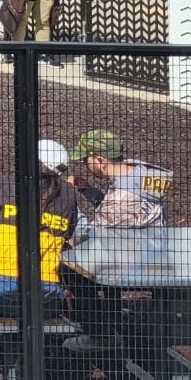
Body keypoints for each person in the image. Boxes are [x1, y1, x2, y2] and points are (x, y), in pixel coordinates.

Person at [0, 139, 80, 380]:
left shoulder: (5, 185)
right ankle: (27, 362)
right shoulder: (68, 197)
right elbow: (68, 237)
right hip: (46, 296)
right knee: (18, 305)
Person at [64, 129, 174, 353]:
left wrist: (67, 207)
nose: (85, 164)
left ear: (101, 160)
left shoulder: (122, 198)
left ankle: (100, 335)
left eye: (87, 160)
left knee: (71, 266)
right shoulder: (140, 172)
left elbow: (89, 235)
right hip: (152, 248)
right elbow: (121, 213)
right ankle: (111, 320)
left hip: (138, 262)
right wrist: (87, 189)